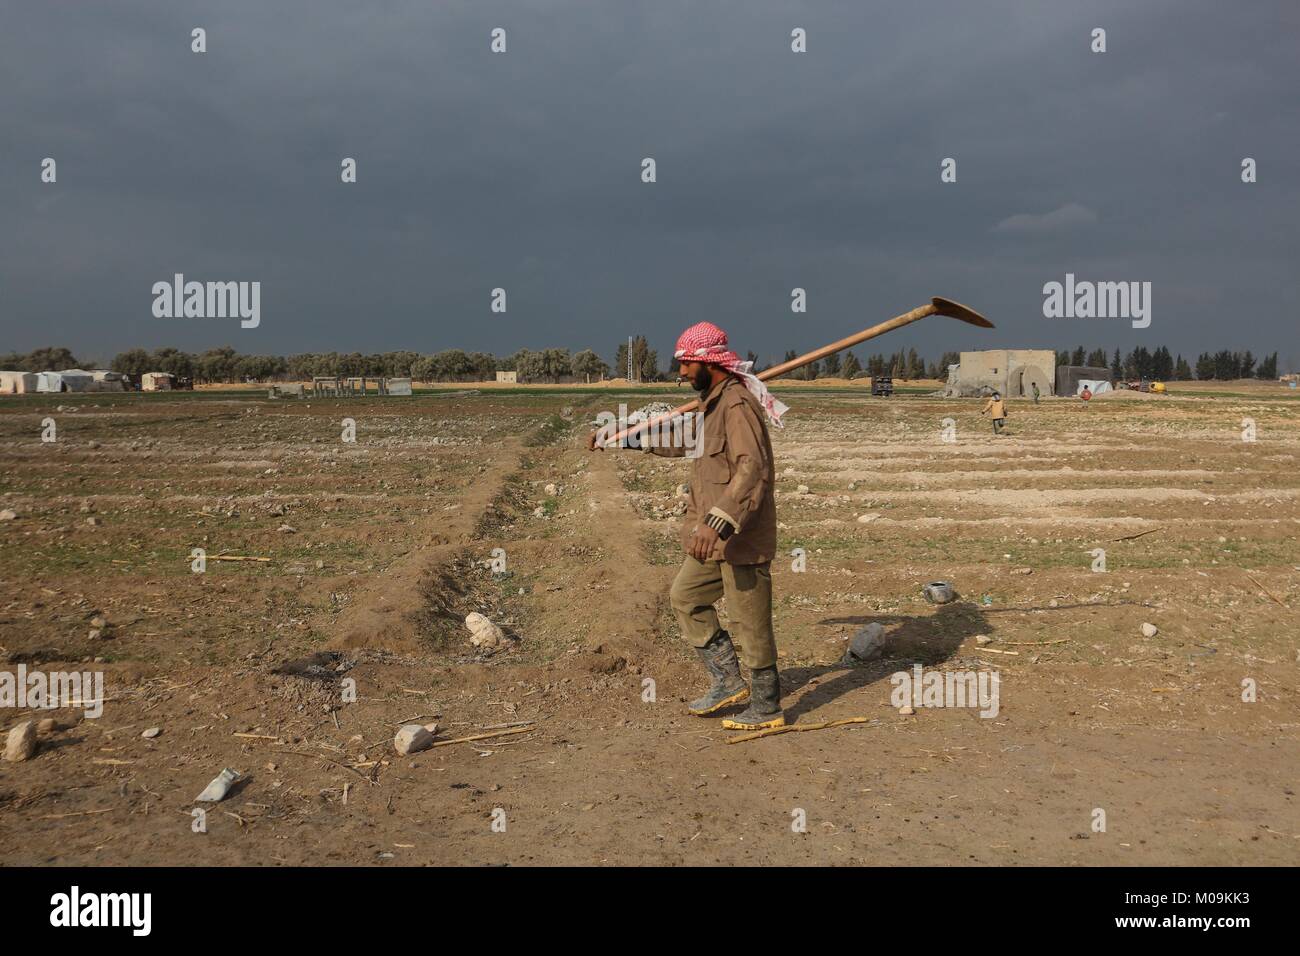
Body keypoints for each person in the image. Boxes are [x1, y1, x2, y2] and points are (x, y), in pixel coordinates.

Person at [588, 322, 788, 730]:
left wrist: (717, 523)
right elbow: (681, 438)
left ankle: (768, 707)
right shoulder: (712, 405)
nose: (680, 373)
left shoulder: (736, 406)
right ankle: (728, 681)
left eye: (685, 365)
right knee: (685, 597)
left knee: (750, 621)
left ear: (708, 363)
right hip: (710, 539)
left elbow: (753, 469)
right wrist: (621, 437)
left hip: (738, 536)